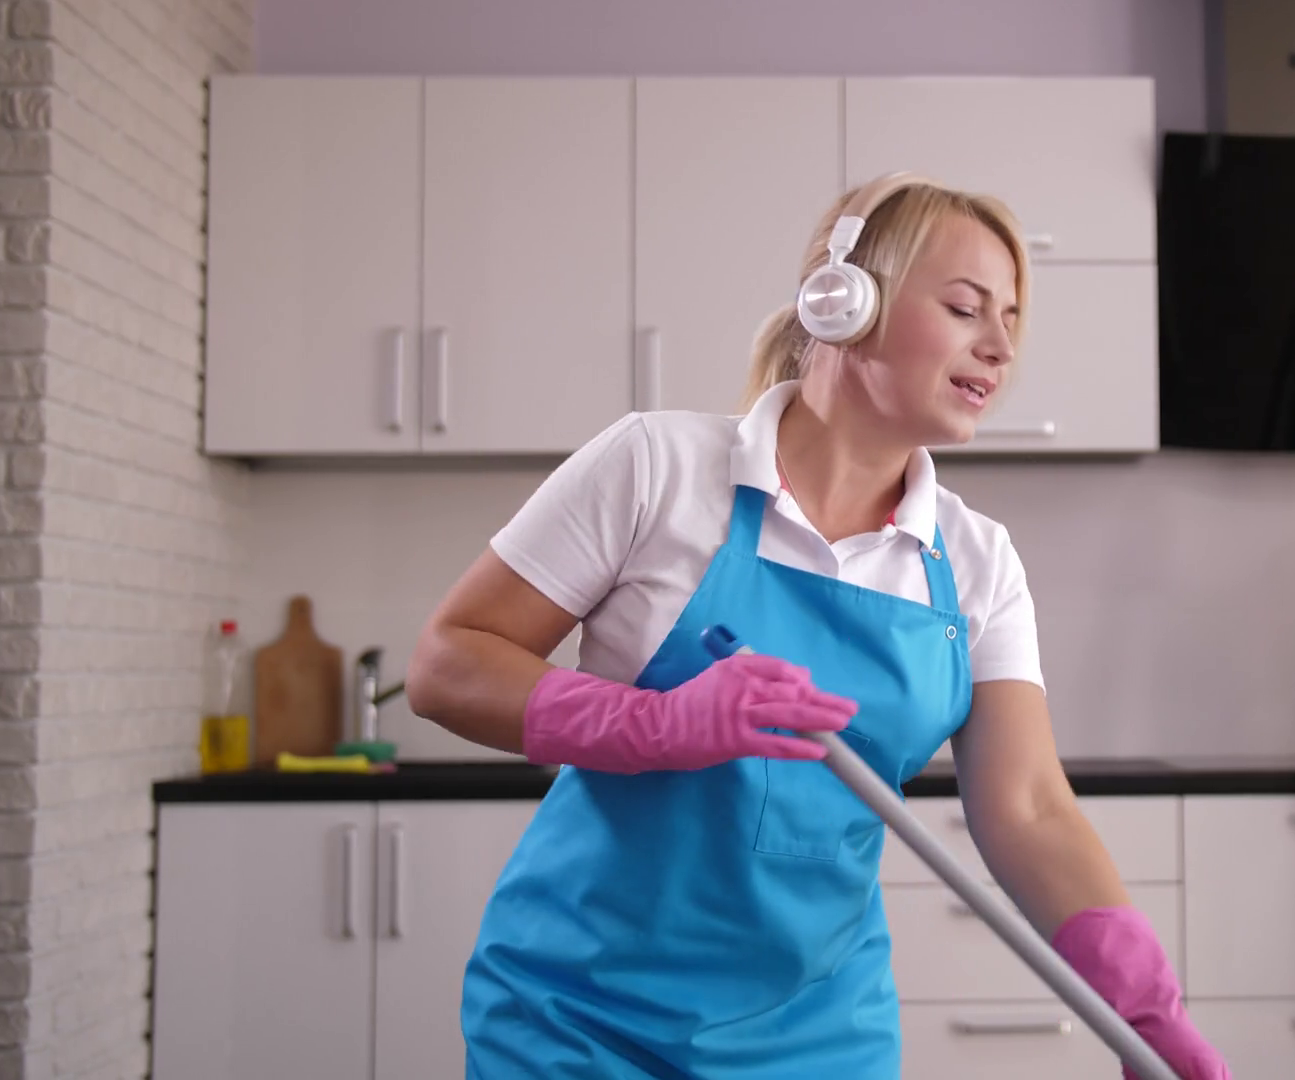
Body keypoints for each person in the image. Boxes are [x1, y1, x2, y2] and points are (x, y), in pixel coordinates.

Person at [406, 172, 1230, 1080]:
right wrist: (652, 724)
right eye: (965, 308)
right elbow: (449, 664)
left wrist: (1143, 1005)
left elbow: (1029, 808)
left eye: (1012, 318)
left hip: (820, 1038)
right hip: (581, 1021)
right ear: (843, 301)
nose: (999, 347)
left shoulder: (976, 562)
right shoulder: (660, 468)